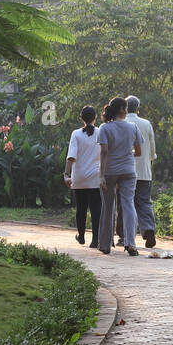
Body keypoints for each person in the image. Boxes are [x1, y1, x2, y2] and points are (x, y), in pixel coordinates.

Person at [96, 97, 143, 256]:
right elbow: (139, 152)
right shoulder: (133, 127)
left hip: (110, 171)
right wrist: (126, 152)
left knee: (108, 206)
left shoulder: (104, 128)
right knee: (129, 204)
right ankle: (131, 243)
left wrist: (101, 175)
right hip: (129, 171)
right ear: (122, 110)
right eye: (126, 107)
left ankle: (105, 244)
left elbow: (104, 152)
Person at [65, 106, 102, 248]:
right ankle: (95, 239)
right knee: (96, 210)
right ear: (95, 118)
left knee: (81, 208)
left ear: (82, 118)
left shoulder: (76, 134)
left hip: (79, 178)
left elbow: (71, 156)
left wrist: (66, 174)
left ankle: (81, 235)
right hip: (95, 177)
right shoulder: (101, 132)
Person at [126, 95, 157, 248]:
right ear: (138, 109)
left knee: (124, 203)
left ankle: (123, 235)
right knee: (144, 202)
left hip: (123, 171)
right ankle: (149, 229)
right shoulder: (146, 124)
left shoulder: (120, 123)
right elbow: (152, 152)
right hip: (144, 172)